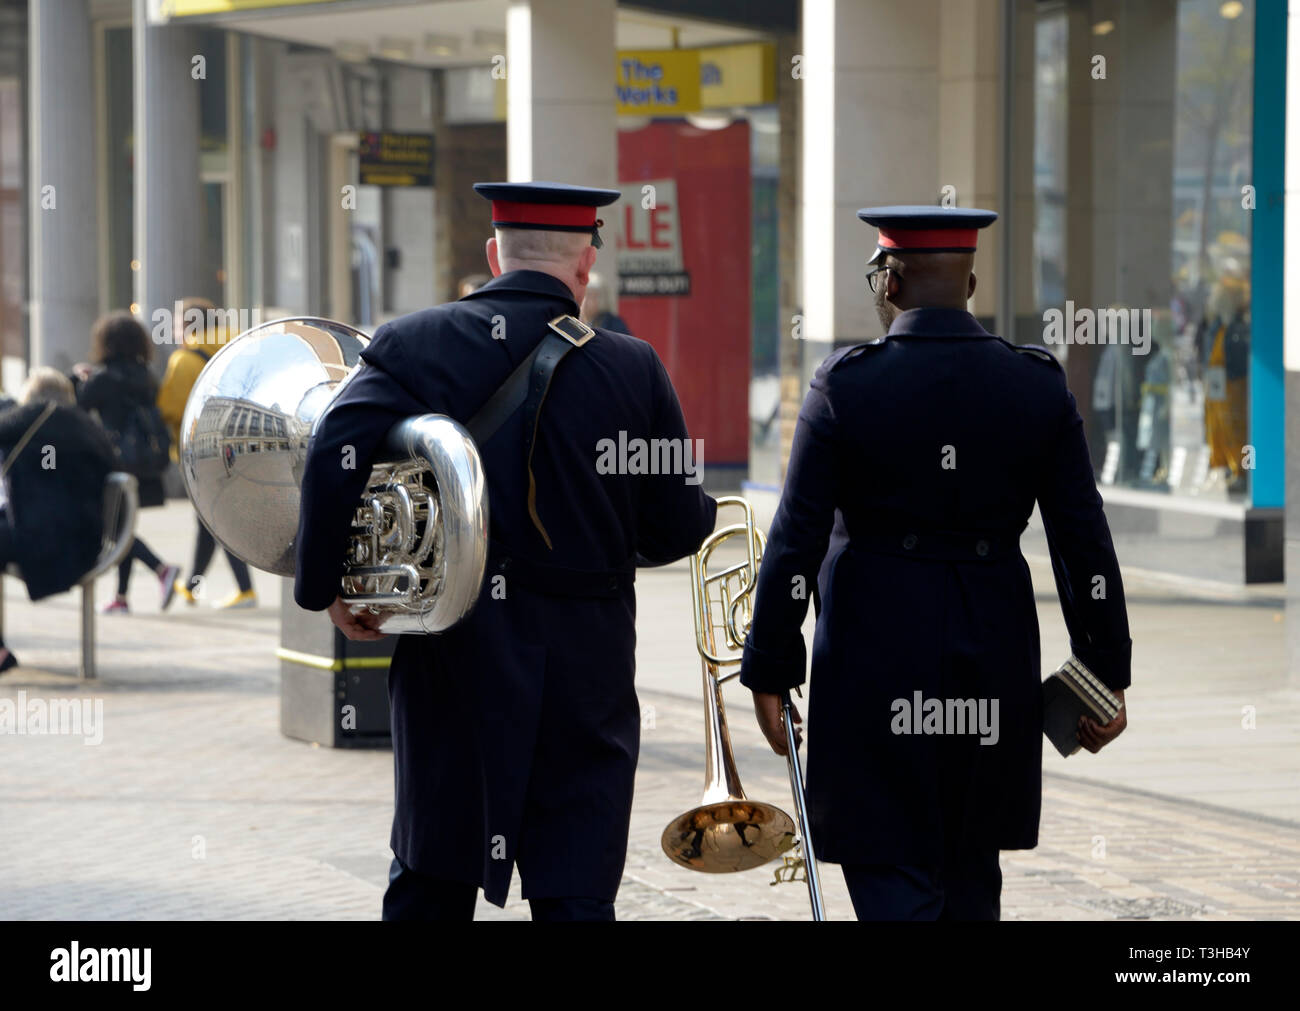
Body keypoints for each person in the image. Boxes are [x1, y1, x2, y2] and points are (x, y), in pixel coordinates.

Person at [294, 181, 717, 921]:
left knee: (432, 875)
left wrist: (326, 584)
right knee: (576, 889)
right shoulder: (635, 366)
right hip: (586, 662)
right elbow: (677, 528)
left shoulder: (413, 342)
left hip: (456, 651)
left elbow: (334, 451)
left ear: (494, 254)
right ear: (586, 265)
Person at [740, 206, 1132, 921]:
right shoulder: (1036, 384)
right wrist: (1105, 670)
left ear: (890, 281)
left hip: (872, 668)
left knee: (890, 871)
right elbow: (1085, 540)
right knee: (971, 877)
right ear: (972, 281)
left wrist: (769, 667)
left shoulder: (845, 385)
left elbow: (794, 538)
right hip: (992, 665)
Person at [0, 368, 117, 673]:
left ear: (31, 400)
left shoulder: (37, 414)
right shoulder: (89, 426)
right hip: (87, 544)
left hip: (46, 543)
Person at [75, 311, 180, 614]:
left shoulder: (105, 378)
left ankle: (161, 569)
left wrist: (78, 377)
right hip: (145, 462)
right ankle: (122, 598)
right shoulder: (146, 375)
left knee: (116, 530)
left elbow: (78, 405)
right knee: (123, 527)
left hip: (115, 463)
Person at [156, 296, 255, 609]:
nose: (173, 330)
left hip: (201, 449)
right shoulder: (235, 349)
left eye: (175, 323)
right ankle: (194, 586)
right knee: (209, 518)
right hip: (239, 443)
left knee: (215, 518)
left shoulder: (183, 360)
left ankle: (245, 590)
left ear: (188, 325)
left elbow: (169, 409)